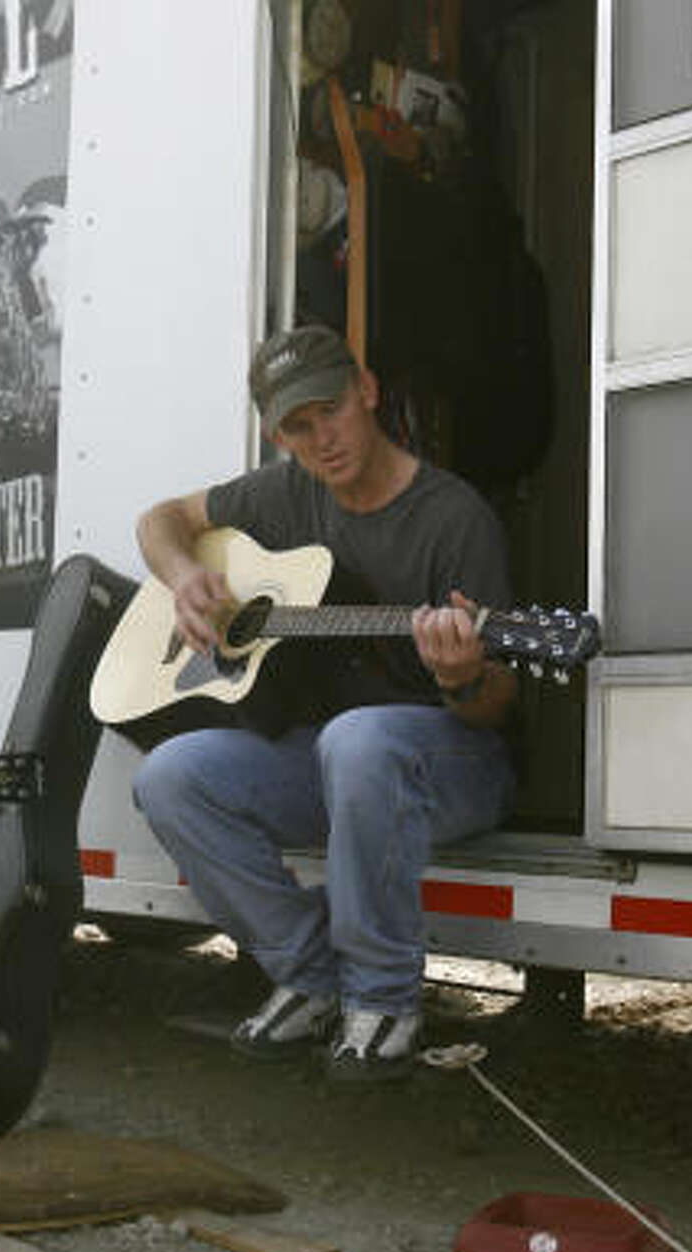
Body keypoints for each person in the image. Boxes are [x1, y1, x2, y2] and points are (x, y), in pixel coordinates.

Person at [130, 324, 519, 1083]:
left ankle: (383, 999)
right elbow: (160, 520)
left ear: (367, 391)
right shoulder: (283, 494)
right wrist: (183, 576)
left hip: (455, 763)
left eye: (332, 411)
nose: (322, 439)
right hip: (337, 760)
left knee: (359, 739)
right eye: (297, 429)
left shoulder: (453, 517)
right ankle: (311, 975)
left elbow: (496, 708)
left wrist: (462, 675)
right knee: (170, 777)